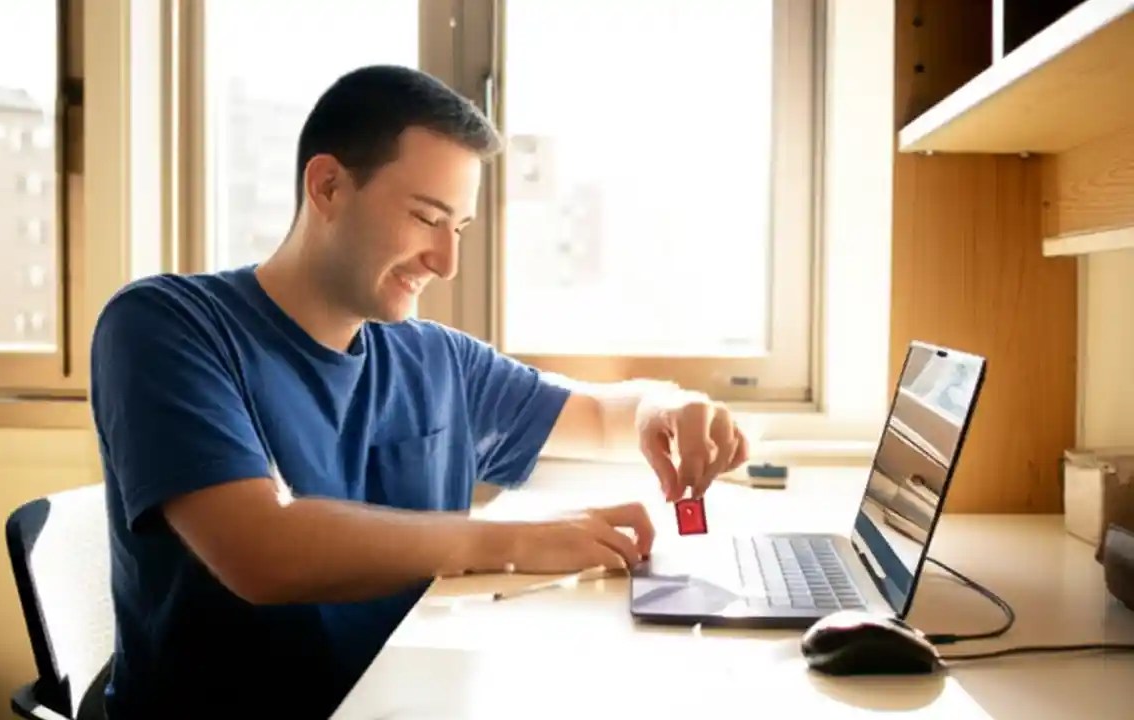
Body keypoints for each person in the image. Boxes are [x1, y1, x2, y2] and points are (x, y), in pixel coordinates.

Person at [90, 64, 749, 719]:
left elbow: (604, 416)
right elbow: (260, 550)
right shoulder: (166, 324)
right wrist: (515, 539)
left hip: (400, 700)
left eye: (457, 228)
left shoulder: (435, 358)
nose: (446, 261)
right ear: (327, 187)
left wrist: (665, 407)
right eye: (427, 217)